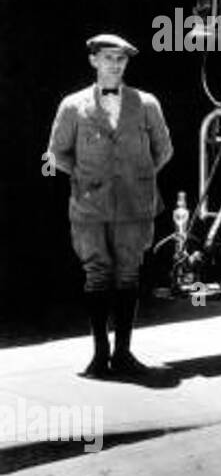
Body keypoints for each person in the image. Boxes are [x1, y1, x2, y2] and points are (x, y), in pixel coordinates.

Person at [47, 34, 173, 379]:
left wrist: (136, 177)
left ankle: (124, 353)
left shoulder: (146, 103)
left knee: (129, 274)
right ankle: (99, 354)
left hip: (135, 206)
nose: (115, 64)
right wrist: (88, 179)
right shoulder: (72, 106)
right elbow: (56, 154)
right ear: (93, 61)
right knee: (97, 273)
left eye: (121, 59)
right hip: (91, 208)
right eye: (107, 58)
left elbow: (164, 150)